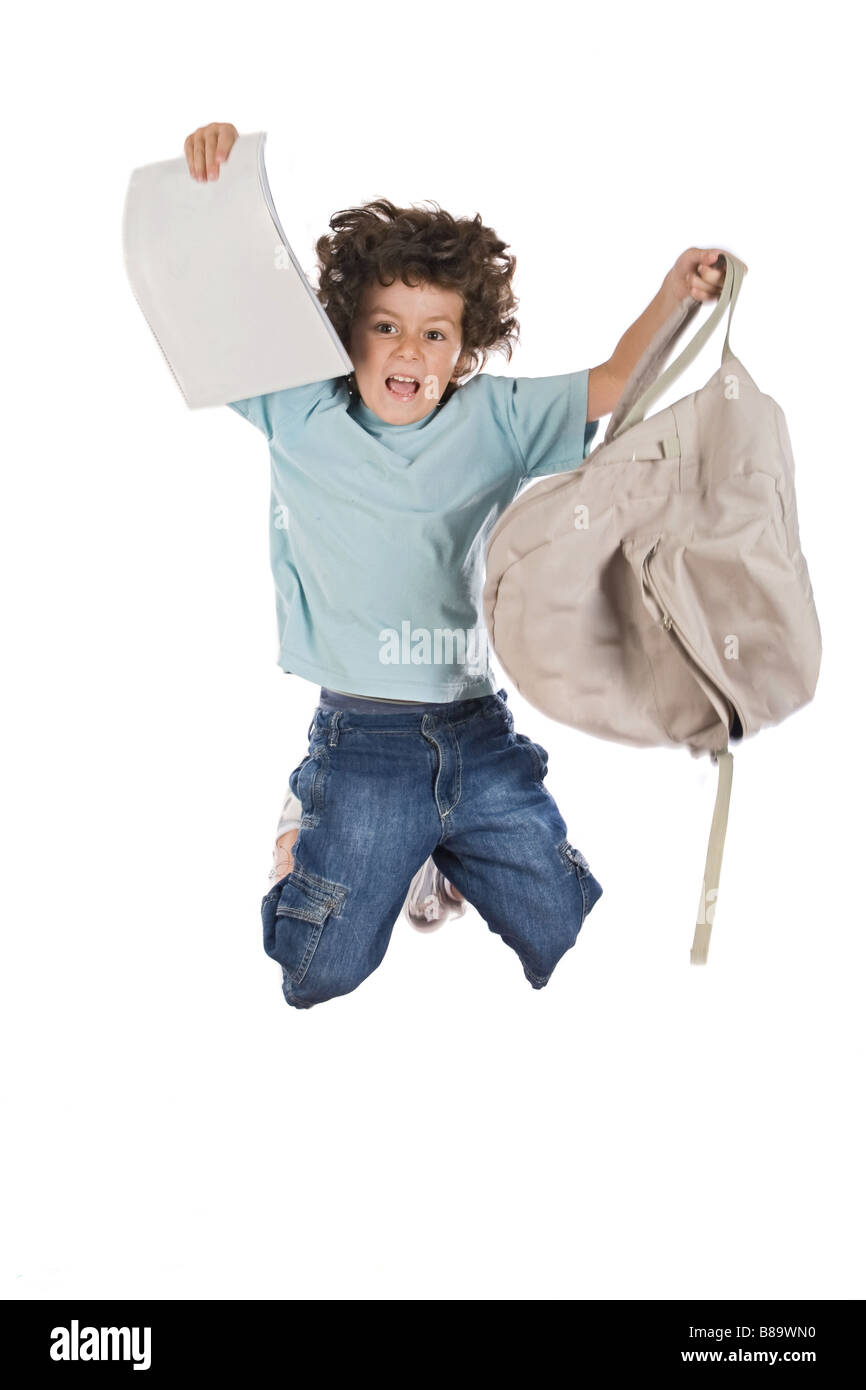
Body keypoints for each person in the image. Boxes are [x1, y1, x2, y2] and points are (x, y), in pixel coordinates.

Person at [182, 122, 726, 1009]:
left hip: (475, 727)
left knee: (561, 925)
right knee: (318, 973)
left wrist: (677, 291)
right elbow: (210, 321)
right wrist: (209, 199)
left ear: (466, 351)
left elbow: (616, 383)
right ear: (344, 334)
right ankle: (307, 833)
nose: (409, 351)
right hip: (362, 740)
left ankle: (441, 856)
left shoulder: (497, 421)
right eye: (386, 327)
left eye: (437, 336)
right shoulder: (297, 411)